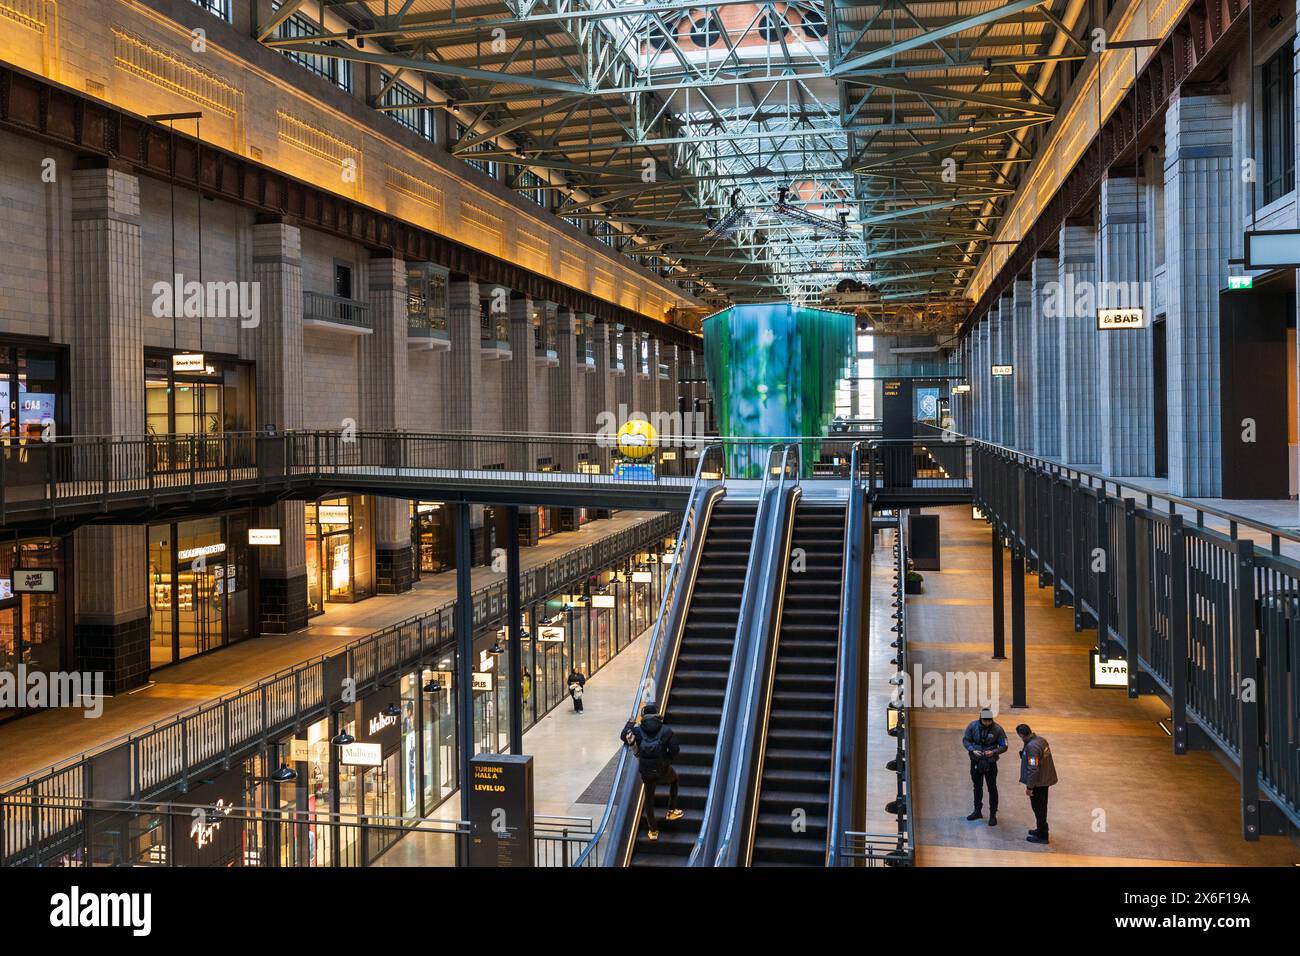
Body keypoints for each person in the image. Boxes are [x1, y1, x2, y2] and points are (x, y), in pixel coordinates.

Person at [621, 701, 683, 841]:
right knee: (674, 780)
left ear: (643, 715)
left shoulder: (637, 730)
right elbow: (675, 749)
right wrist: (665, 760)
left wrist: (630, 723)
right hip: (662, 768)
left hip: (646, 770)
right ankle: (671, 811)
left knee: (649, 799)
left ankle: (653, 830)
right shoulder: (666, 730)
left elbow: (623, 736)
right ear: (657, 714)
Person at [961, 707, 1007, 825]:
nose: (987, 723)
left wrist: (994, 752)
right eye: (985, 720)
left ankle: (993, 814)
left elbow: (1004, 746)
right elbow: (966, 740)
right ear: (980, 718)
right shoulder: (972, 726)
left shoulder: (998, 729)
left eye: (989, 721)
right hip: (976, 760)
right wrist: (972, 750)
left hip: (990, 762)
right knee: (977, 787)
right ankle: (977, 811)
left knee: (992, 788)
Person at [1016, 724, 1058, 844]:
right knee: (1042, 807)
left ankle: (1042, 836)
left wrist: (1030, 787)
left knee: (1039, 808)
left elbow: (1033, 768)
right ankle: (1041, 829)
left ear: (1021, 735)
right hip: (1044, 779)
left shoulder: (1032, 747)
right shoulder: (1041, 740)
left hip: (1038, 783)